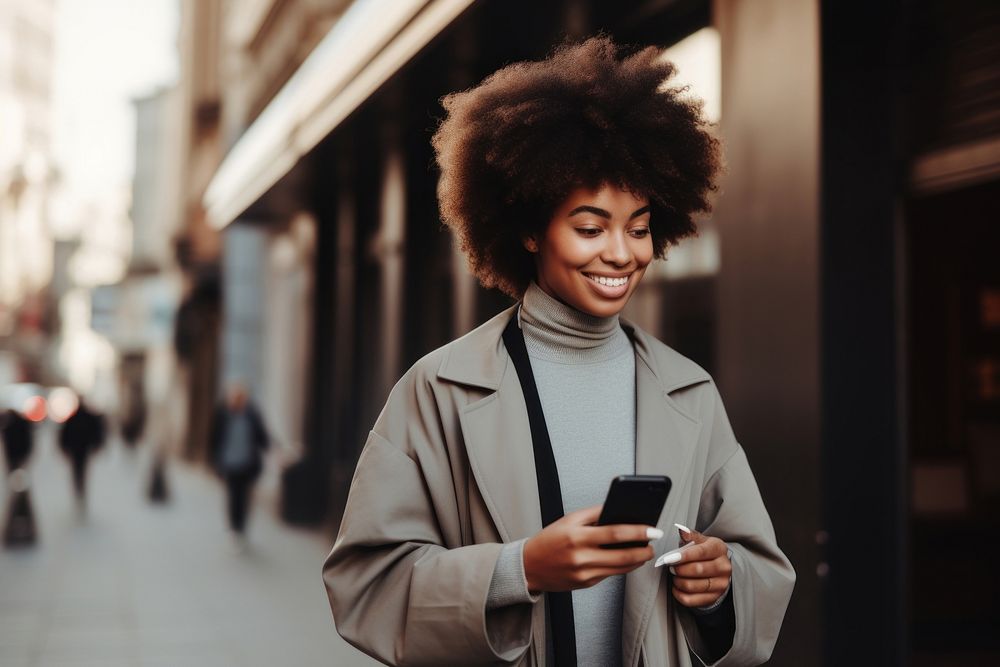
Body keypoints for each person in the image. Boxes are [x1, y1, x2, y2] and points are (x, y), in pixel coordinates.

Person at [323, 37, 795, 666]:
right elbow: (364, 585)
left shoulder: (688, 390)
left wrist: (719, 585)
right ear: (526, 229)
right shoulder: (439, 388)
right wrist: (519, 570)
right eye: (590, 228)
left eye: (639, 227)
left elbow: (759, 571)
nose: (622, 254)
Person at [209, 381, 269, 548]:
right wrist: (215, 462)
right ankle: (234, 528)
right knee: (233, 496)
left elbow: (261, 435)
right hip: (229, 463)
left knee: (244, 498)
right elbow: (214, 438)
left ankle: (241, 527)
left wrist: (270, 446)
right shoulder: (223, 414)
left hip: (247, 464)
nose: (237, 400)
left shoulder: (252, 414)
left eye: (240, 397)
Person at [58, 399, 106, 514]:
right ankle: (81, 492)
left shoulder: (72, 418)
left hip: (76, 450)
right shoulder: (87, 418)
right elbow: (97, 433)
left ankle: (79, 492)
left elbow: (64, 436)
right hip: (83, 450)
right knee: (82, 471)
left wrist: (64, 448)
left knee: (76, 472)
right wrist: (96, 445)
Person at [2, 408, 37, 546]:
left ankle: (18, 521)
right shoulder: (18, 426)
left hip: (16, 461)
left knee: (18, 491)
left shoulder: (10, 427)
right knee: (21, 490)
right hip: (19, 461)